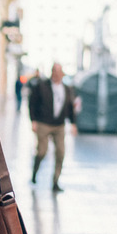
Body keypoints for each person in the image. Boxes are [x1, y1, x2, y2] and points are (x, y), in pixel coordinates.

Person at [28, 62, 77, 191]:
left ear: (62, 74)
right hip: (44, 123)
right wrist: (33, 120)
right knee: (42, 151)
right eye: (55, 71)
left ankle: (55, 181)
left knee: (61, 152)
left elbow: (70, 106)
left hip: (59, 125)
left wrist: (73, 123)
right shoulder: (42, 86)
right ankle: (34, 173)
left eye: (59, 72)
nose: (57, 74)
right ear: (52, 72)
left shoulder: (66, 88)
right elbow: (32, 103)